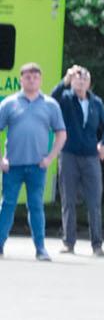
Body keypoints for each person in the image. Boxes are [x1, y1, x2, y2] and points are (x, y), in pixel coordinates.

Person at [0, 62, 65, 261]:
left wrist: (50, 157)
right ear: (21, 79)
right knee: (7, 205)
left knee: (36, 207)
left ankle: (41, 248)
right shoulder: (9, 103)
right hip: (12, 165)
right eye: (28, 76)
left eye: (35, 76)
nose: (32, 80)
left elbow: (61, 133)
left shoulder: (50, 105)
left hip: (38, 166)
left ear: (41, 80)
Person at [51, 64, 104, 257]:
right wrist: (65, 80)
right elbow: (50, 100)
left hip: (90, 157)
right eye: (77, 78)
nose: (81, 81)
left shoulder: (96, 102)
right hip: (69, 154)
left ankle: (97, 245)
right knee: (68, 200)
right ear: (72, 81)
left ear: (89, 82)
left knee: (94, 201)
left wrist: (103, 145)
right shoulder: (65, 98)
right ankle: (68, 242)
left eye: (85, 78)